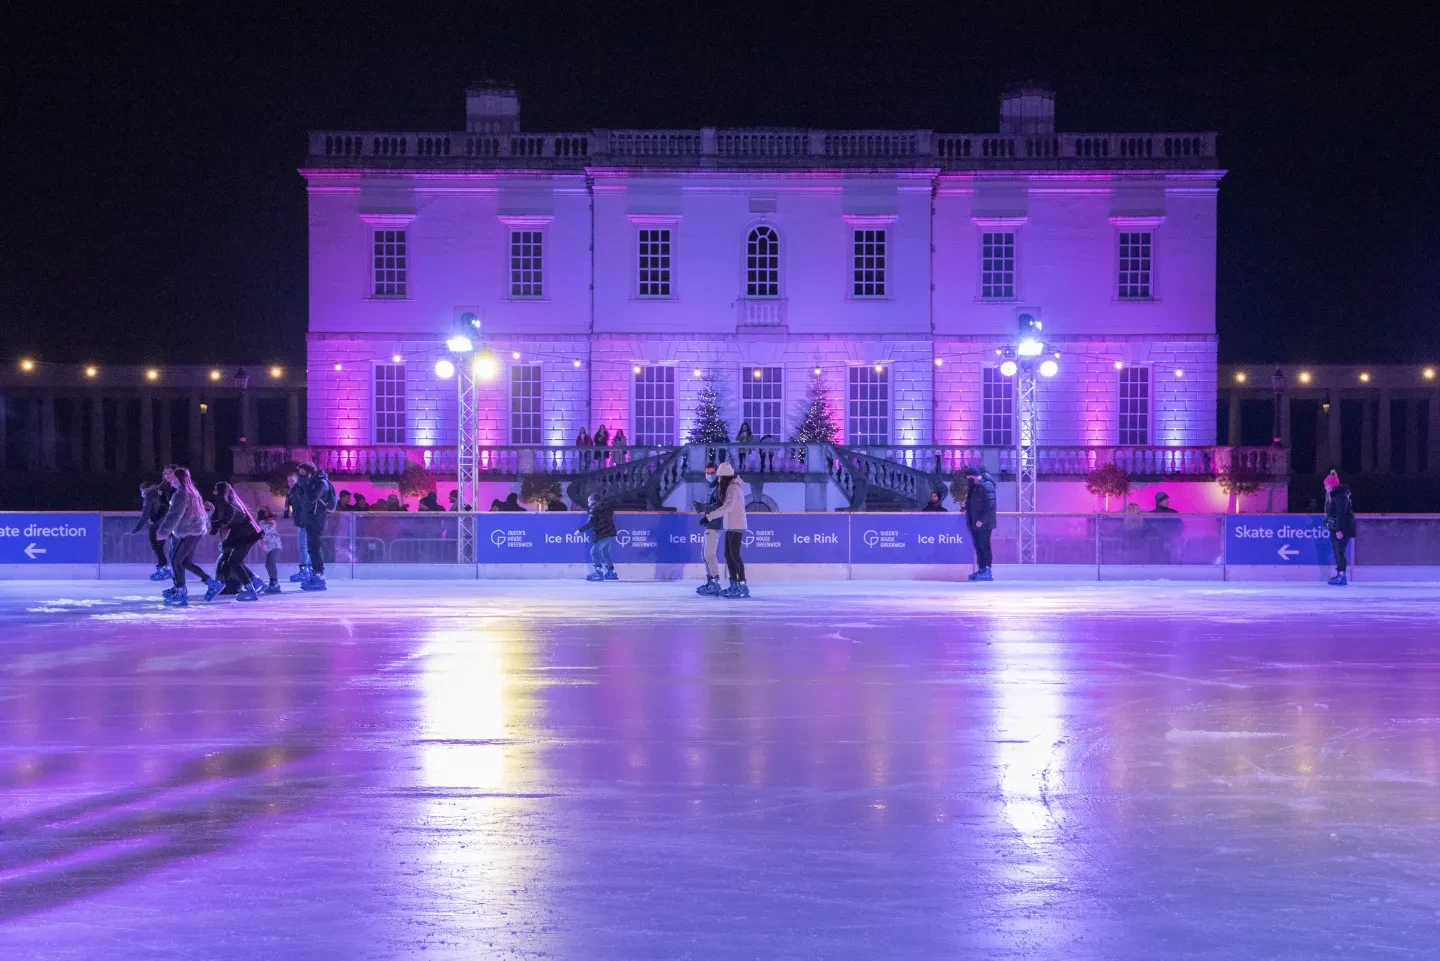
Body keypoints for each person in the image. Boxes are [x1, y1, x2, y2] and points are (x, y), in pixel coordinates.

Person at [156, 467, 211, 607]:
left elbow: (174, 515)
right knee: (184, 561)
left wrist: (163, 532)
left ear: (178, 478)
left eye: (173, 476)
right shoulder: (192, 491)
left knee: (176, 561)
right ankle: (209, 583)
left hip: (189, 531)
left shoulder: (181, 493)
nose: (170, 479)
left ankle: (181, 592)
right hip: (192, 530)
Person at [208, 482, 263, 602]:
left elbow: (226, 522)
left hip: (246, 535)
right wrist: (213, 520)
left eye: (216, 490)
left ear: (221, 492)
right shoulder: (227, 504)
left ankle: (251, 589)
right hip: (243, 536)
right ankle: (254, 582)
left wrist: (213, 522)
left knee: (234, 561)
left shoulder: (229, 504)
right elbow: (222, 524)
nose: (214, 492)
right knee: (234, 561)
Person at [703, 462, 750, 597]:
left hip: (737, 525)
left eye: (719, 476)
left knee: (734, 555)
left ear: (724, 476)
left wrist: (709, 517)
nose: (718, 479)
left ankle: (742, 585)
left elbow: (728, 507)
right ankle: (733, 584)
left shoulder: (734, 488)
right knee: (728, 555)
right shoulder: (730, 486)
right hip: (730, 524)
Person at [290, 461, 337, 591]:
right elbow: (301, 501)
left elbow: (311, 498)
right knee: (311, 548)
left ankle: (319, 576)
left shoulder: (321, 483)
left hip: (317, 519)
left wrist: (304, 484)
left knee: (315, 547)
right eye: (300, 473)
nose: (301, 475)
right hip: (310, 518)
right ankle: (315, 575)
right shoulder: (308, 483)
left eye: (303, 473)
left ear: (310, 472)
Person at [693, 462, 725, 594]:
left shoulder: (720, 487)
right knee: (704, 554)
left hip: (715, 523)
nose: (710, 475)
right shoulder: (715, 487)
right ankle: (711, 580)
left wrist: (704, 507)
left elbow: (719, 506)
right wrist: (703, 507)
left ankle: (715, 581)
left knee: (709, 554)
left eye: (712, 473)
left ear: (717, 473)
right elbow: (714, 504)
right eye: (707, 473)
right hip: (710, 523)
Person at [961, 466, 997, 581]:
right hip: (974, 523)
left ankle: (987, 570)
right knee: (978, 547)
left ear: (973, 476)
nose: (968, 479)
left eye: (969, 477)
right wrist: (965, 505)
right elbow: (974, 504)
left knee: (984, 546)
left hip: (984, 524)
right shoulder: (975, 486)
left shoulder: (987, 486)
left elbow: (990, 506)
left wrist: (982, 520)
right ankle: (981, 569)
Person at [133, 482, 171, 580]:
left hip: (155, 524)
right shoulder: (159, 493)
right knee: (159, 547)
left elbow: (145, 513)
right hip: (162, 523)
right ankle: (163, 569)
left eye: (142, 490)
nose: (142, 493)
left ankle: (164, 569)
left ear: (146, 489)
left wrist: (137, 528)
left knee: (156, 546)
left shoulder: (150, 496)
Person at [1324, 471, 1356, 586]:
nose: (1325, 487)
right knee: (1337, 552)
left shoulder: (1340, 497)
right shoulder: (1335, 496)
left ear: (1331, 485)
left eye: (1326, 485)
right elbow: (1333, 513)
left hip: (1342, 529)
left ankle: (1342, 575)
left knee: (1339, 551)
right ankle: (1340, 574)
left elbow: (1341, 514)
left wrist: (1338, 530)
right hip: (1337, 528)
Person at [577, 493, 618, 581]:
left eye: (589, 502)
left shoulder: (594, 510)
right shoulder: (607, 508)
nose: (588, 503)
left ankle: (599, 573)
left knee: (594, 552)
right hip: (611, 533)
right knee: (605, 552)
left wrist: (579, 530)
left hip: (602, 534)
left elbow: (590, 523)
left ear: (593, 501)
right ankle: (611, 573)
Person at [283, 473, 311, 582]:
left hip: (303, 523)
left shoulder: (298, 491)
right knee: (303, 546)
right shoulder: (291, 492)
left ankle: (305, 571)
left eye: (292, 480)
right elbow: (291, 508)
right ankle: (307, 570)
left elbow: (301, 508)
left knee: (303, 546)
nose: (290, 483)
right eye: (288, 481)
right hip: (301, 522)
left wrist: (299, 524)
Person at [255, 507, 284, 594]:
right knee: (267, 565)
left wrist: (260, 522)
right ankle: (272, 581)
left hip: (275, 545)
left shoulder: (271, 521)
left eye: (264, 512)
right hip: (267, 547)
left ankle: (275, 582)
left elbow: (265, 530)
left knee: (271, 563)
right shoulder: (259, 523)